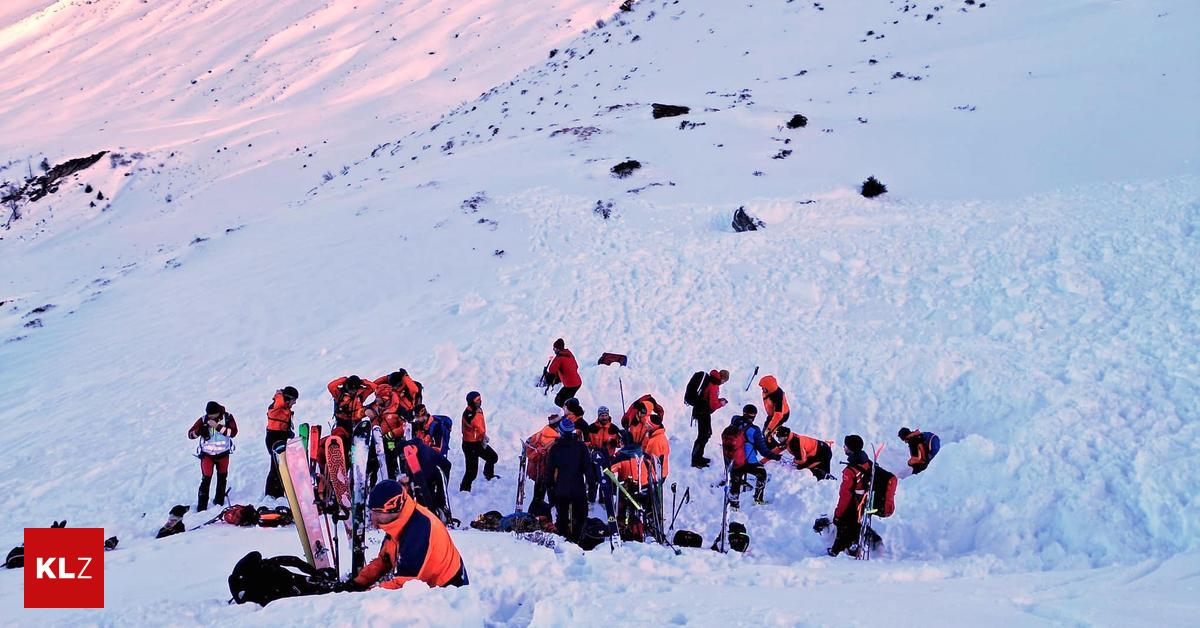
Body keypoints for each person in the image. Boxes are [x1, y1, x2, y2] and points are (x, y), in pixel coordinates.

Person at [345, 480, 467, 590]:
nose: (372, 518)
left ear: (394, 509)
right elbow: (384, 560)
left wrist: (364, 595)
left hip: (450, 592)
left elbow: (403, 584)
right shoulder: (400, 521)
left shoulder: (418, 531)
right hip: (426, 585)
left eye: (378, 513)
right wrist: (358, 583)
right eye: (371, 512)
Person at [545, 419, 597, 543]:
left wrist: (550, 492)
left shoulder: (555, 448)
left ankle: (562, 542)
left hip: (561, 488)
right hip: (578, 488)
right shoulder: (581, 447)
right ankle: (579, 541)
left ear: (561, 431)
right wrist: (592, 492)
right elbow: (588, 470)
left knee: (562, 518)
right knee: (580, 517)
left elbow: (549, 472)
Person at [723, 405, 781, 507]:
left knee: (736, 478)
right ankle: (758, 499)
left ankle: (734, 505)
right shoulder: (755, 430)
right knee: (762, 474)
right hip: (749, 463)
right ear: (754, 416)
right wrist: (775, 456)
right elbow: (763, 451)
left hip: (734, 461)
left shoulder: (734, 421)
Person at [188, 401, 238, 511]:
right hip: (207, 456)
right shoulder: (203, 419)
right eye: (209, 414)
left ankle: (219, 501)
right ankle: (202, 507)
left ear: (218, 412)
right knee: (206, 479)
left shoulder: (228, 418)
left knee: (222, 478)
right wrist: (199, 431)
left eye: (212, 415)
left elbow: (233, 433)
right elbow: (190, 435)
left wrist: (218, 427)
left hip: (223, 454)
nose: (210, 417)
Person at [829, 435, 873, 557]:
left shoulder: (850, 471)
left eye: (846, 446)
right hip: (863, 501)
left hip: (853, 503)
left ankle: (836, 551)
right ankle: (853, 545)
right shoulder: (867, 462)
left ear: (851, 449)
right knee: (855, 525)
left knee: (842, 524)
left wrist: (838, 514)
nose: (844, 447)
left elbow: (845, 495)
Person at [395, 436, 453, 523]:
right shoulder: (415, 447)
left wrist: (431, 509)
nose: (403, 458)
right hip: (435, 469)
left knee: (433, 494)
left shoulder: (410, 451)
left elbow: (422, 484)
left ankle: (437, 516)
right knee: (428, 493)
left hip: (439, 470)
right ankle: (436, 513)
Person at [459, 391, 497, 492]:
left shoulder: (477, 410)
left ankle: (488, 474)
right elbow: (477, 426)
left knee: (492, 457)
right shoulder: (470, 415)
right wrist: (483, 435)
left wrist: (482, 437)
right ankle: (464, 489)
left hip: (478, 442)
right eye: (477, 401)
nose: (480, 402)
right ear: (471, 402)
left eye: (480, 400)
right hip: (470, 445)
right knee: (471, 472)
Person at [366, 384, 406, 481]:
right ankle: (369, 484)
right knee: (371, 462)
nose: (376, 399)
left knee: (390, 463)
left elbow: (405, 426)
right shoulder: (377, 404)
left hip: (391, 440)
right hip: (377, 438)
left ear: (385, 398)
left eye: (378, 397)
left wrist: (393, 433)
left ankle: (393, 482)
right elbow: (366, 408)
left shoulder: (399, 409)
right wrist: (367, 411)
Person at [265, 386, 299, 498]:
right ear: (288, 398)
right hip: (274, 439)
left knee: (281, 467)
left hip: (280, 437)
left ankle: (279, 493)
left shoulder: (283, 408)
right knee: (276, 468)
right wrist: (280, 394)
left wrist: (288, 433)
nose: (294, 403)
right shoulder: (276, 406)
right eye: (294, 400)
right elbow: (279, 403)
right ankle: (271, 494)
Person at [691, 370, 729, 468]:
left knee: (705, 434)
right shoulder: (714, 385)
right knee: (703, 435)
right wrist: (721, 403)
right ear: (723, 379)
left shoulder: (711, 381)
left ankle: (698, 457)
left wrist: (719, 400)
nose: (723, 383)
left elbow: (710, 399)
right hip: (703, 412)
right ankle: (696, 460)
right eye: (724, 381)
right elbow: (712, 405)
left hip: (701, 410)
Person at [524, 413, 563, 509]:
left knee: (538, 497)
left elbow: (528, 441)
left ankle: (535, 513)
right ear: (557, 425)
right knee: (547, 497)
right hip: (546, 473)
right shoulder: (553, 439)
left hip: (539, 473)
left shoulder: (544, 431)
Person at [769, 426, 834, 480]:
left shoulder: (795, 444)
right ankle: (826, 476)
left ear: (785, 436)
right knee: (808, 465)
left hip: (823, 453)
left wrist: (794, 461)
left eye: (779, 438)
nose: (778, 440)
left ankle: (825, 477)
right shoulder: (791, 437)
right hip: (823, 448)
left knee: (802, 467)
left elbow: (802, 460)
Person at [328, 375, 376, 444]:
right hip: (342, 423)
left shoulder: (361, 395)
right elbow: (330, 386)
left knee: (355, 441)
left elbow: (373, 387)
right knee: (341, 439)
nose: (352, 391)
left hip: (356, 423)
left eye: (354, 389)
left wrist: (362, 382)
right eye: (350, 389)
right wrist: (344, 380)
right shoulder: (339, 394)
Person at [547, 338, 582, 407]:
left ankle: (571, 415)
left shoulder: (559, 358)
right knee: (565, 401)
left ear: (557, 349)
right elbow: (576, 366)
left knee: (560, 401)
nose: (554, 350)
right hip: (577, 383)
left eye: (554, 348)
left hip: (570, 385)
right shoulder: (569, 353)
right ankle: (570, 414)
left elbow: (551, 370)